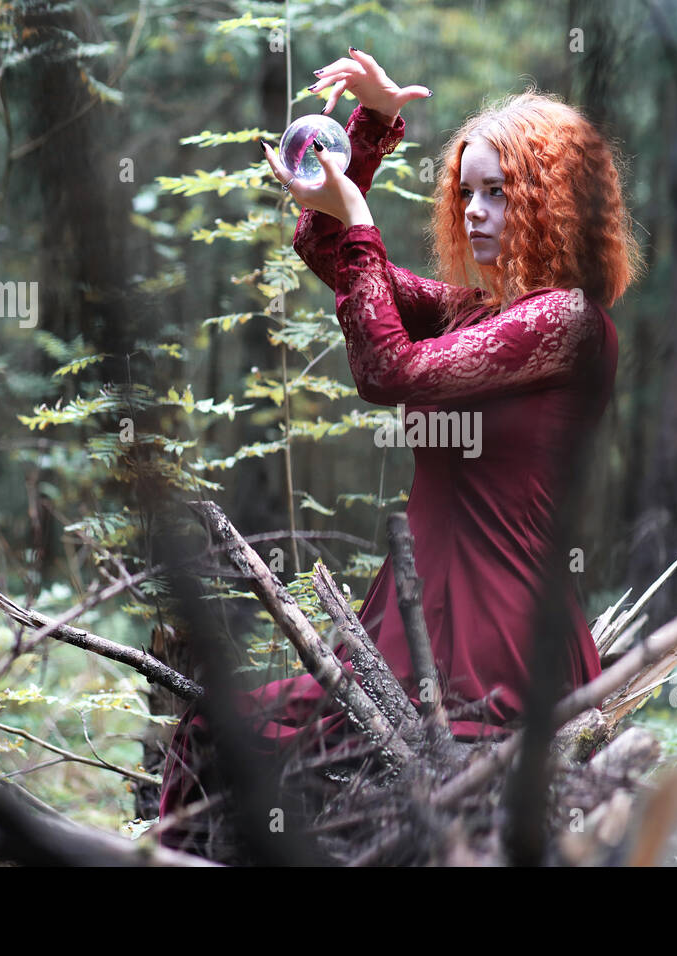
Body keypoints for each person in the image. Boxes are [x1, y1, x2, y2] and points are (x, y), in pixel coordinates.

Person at [158, 48, 643, 849]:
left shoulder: (566, 323)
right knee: (221, 728)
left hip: (498, 646)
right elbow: (333, 253)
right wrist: (371, 128)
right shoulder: (474, 311)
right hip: (407, 628)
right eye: (467, 193)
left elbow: (388, 370)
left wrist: (360, 224)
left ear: (556, 204)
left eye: (501, 191)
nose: (476, 210)